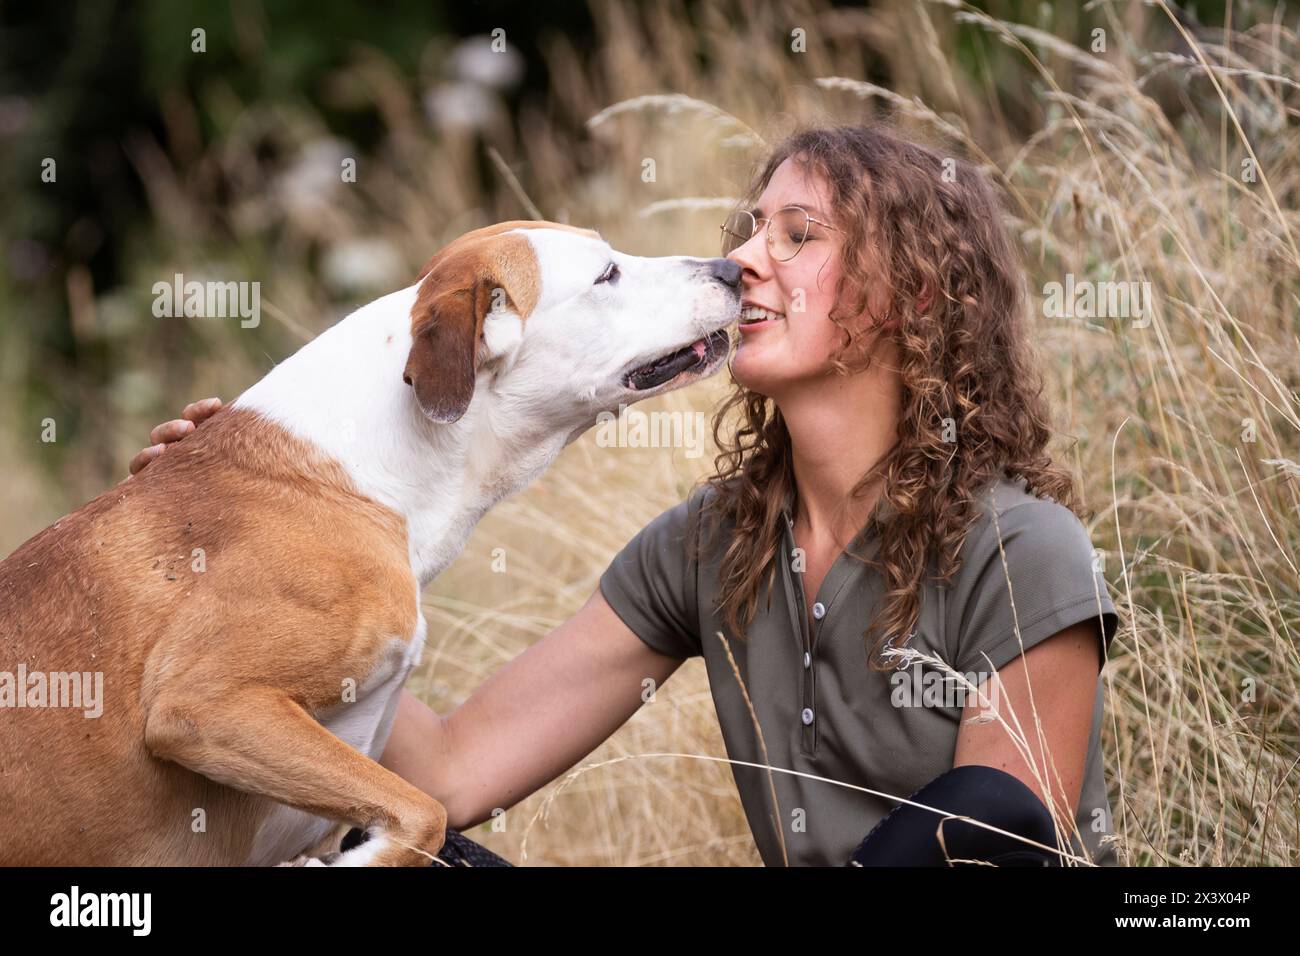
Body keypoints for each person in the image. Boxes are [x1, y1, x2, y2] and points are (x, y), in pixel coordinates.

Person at [130, 124, 1120, 867]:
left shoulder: (1024, 548)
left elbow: (1007, 827)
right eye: (750, 227)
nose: (746, 257)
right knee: (407, 853)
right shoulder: (712, 544)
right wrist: (246, 571)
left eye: (800, 234)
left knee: (979, 819)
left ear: (917, 295)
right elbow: (456, 766)